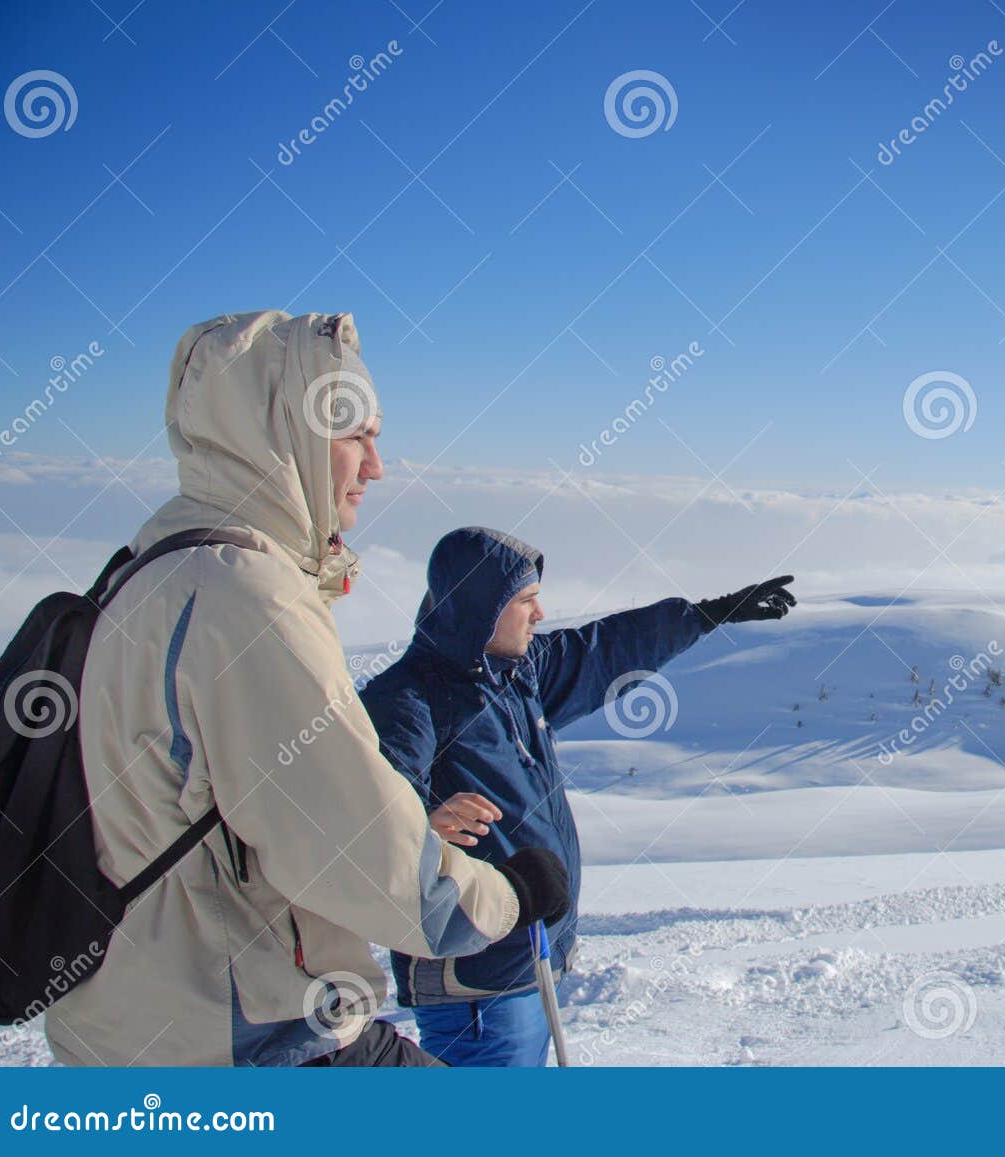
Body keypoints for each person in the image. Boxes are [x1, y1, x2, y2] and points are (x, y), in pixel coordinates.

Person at [43, 312, 569, 1067]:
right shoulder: (246, 599)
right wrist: (512, 893)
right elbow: (372, 857)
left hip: (132, 1028)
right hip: (248, 1043)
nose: (377, 466)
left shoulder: (148, 567)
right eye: (356, 435)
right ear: (285, 429)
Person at [361, 526, 794, 1065]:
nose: (539, 615)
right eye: (525, 602)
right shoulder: (408, 700)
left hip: (529, 957)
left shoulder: (518, 676)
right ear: (481, 610)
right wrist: (419, 819)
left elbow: (607, 648)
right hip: (473, 975)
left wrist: (707, 615)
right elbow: (357, 814)